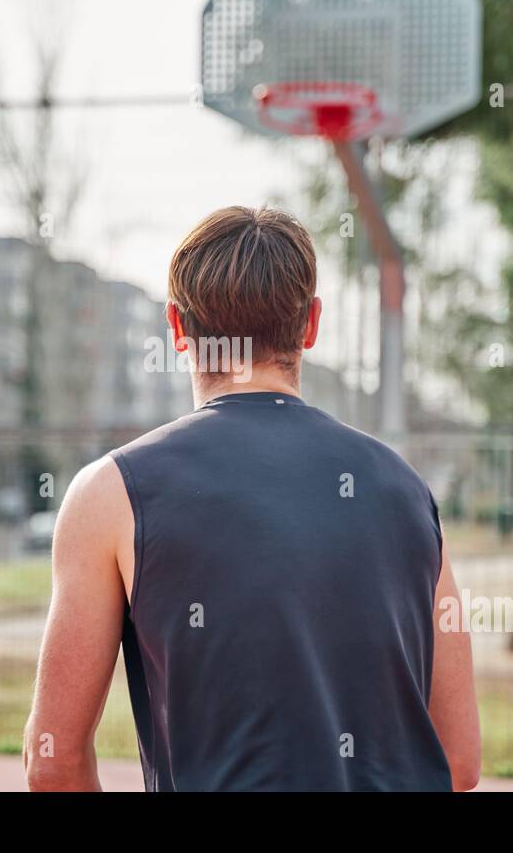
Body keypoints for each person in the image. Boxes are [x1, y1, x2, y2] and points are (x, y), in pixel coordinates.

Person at [24, 206, 480, 791]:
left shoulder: (111, 494)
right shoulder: (407, 489)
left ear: (177, 328)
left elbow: (53, 758)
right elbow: (459, 760)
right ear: (311, 325)